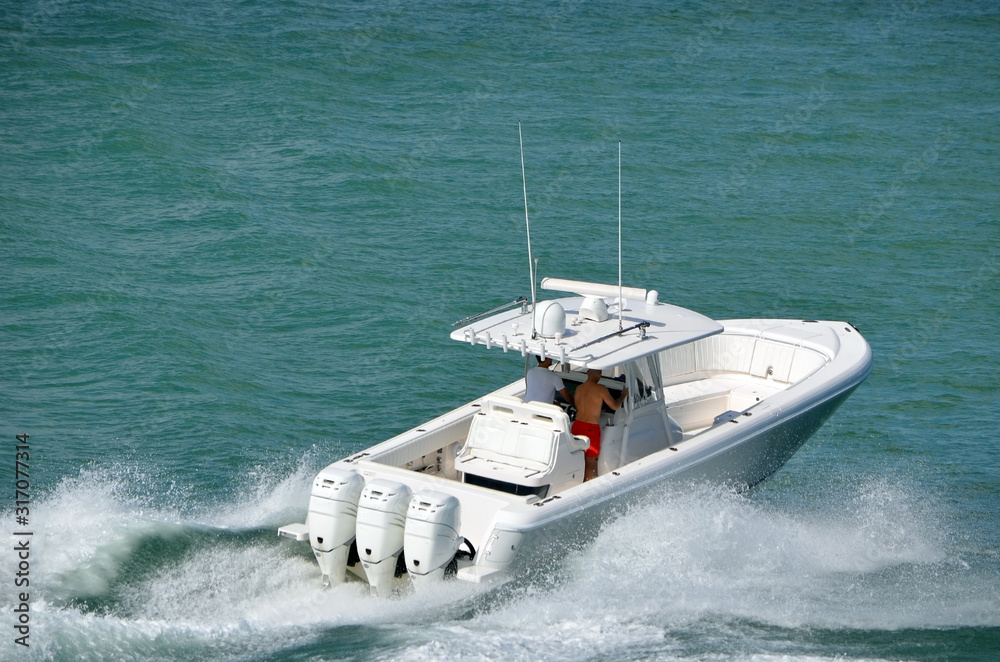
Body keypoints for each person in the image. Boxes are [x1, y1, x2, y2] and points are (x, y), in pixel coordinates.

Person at [571, 369, 627, 482]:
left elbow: (579, 408)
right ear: (599, 374)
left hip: (577, 425)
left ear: (587, 373)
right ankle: (586, 484)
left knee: (578, 457)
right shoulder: (601, 389)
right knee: (590, 461)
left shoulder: (579, 388)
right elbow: (615, 406)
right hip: (590, 429)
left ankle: (575, 482)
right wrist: (624, 395)